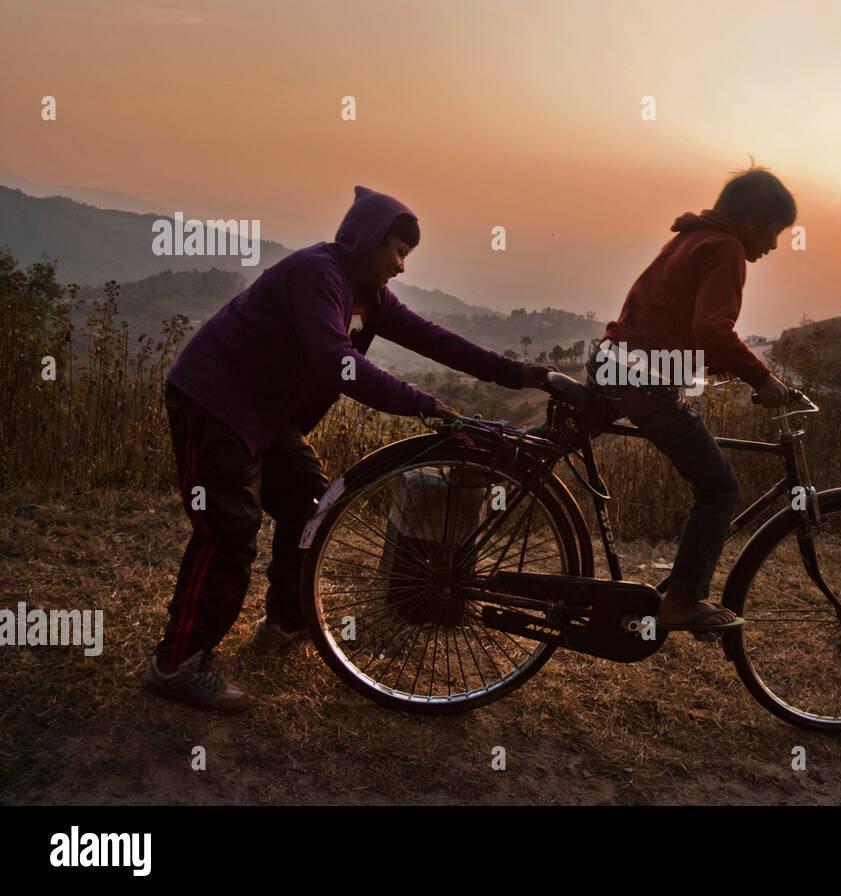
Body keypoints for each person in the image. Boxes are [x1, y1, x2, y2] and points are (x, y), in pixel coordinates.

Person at [144, 185, 552, 713]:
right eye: (398, 251)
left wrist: (517, 373)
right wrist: (423, 404)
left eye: (408, 254)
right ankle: (176, 663)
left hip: (266, 417)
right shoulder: (318, 273)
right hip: (214, 402)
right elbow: (340, 363)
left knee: (314, 505)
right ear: (366, 239)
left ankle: (286, 622)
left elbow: (435, 339)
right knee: (229, 531)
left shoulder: (370, 296)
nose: (402, 266)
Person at [587, 165, 795, 630]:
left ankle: (493, 462)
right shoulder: (726, 248)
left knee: (558, 441)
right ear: (752, 221)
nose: (775, 244)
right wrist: (761, 378)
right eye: (776, 230)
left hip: (611, 362)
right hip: (643, 379)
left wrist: (716, 362)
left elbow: (672, 316)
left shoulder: (690, 237)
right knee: (719, 487)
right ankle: (682, 600)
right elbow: (712, 327)